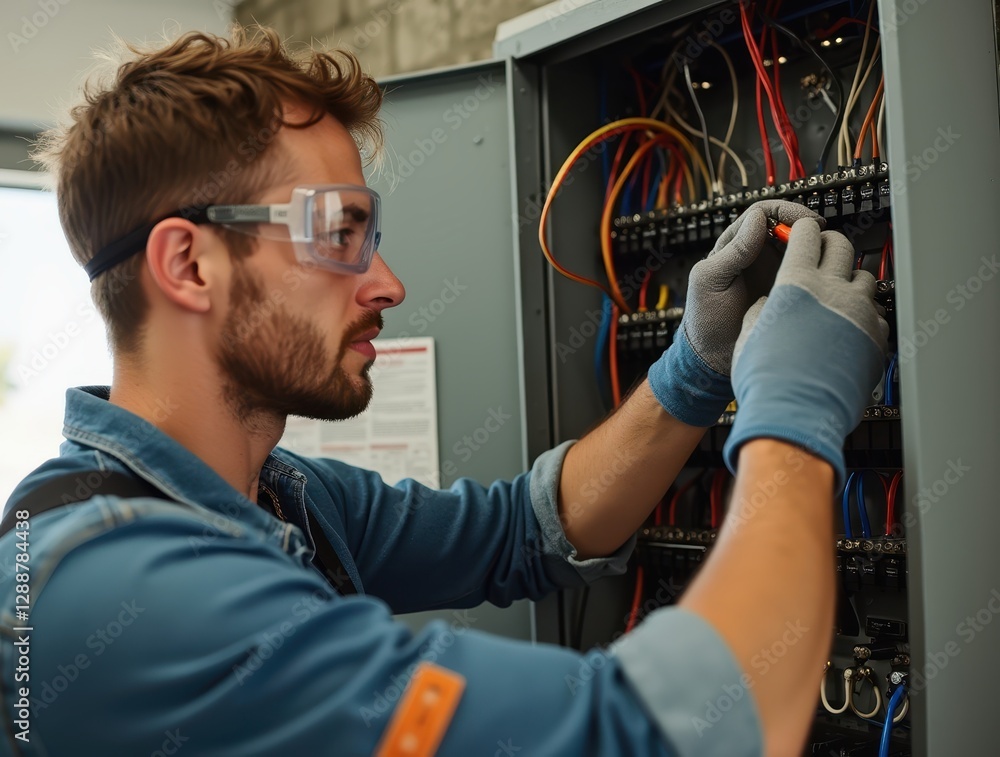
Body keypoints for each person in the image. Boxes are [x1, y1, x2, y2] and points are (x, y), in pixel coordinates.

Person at [0, 26, 887, 757]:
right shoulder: (111, 593)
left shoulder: (281, 495)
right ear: (189, 264)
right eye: (338, 232)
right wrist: (793, 416)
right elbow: (672, 730)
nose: (387, 283)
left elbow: (523, 530)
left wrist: (694, 370)